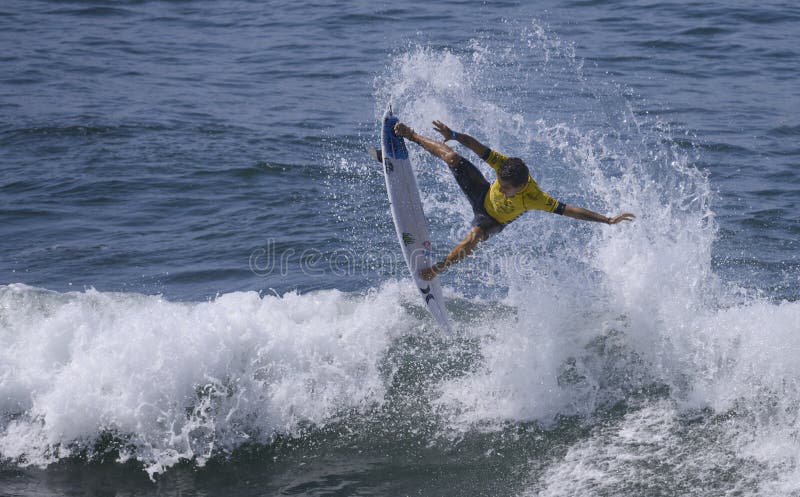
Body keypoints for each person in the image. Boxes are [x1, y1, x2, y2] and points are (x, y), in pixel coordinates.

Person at [391, 120, 635, 281]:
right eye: (502, 183)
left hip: (492, 220)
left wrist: (607, 220)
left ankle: (436, 270)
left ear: (521, 187)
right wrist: (452, 134)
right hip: (481, 193)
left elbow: (570, 210)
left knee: (472, 239)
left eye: (507, 189)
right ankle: (411, 134)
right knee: (453, 157)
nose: (504, 190)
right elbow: (476, 146)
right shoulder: (503, 163)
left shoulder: (534, 197)